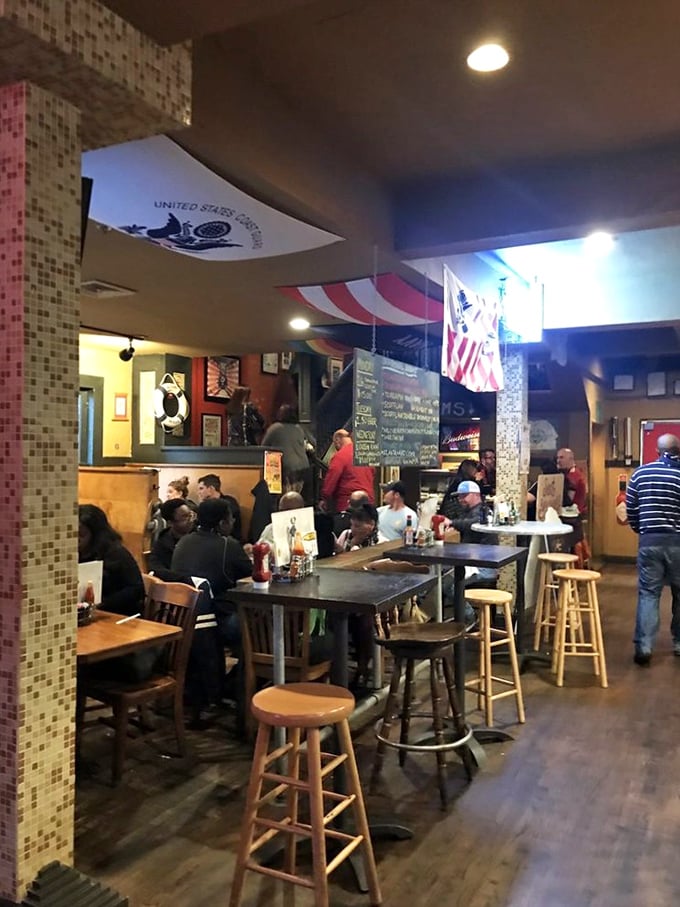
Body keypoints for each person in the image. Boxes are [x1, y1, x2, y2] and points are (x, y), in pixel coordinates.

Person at [625, 433, 680, 666]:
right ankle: (679, 643)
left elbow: (631, 508)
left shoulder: (640, 473)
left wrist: (642, 529)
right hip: (678, 542)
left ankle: (645, 647)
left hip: (649, 541)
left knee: (649, 594)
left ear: (657, 450)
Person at [334, 502, 381, 685]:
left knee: (363, 620)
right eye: (352, 524)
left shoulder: (379, 542)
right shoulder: (345, 536)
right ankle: (336, 667)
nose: (353, 529)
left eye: (358, 525)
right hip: (343, 589)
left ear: (371, 525)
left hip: (370, 594)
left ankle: (363, 667)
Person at [78, 504, 144, 616]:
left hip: (117, 615)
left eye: (81, 535)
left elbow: (137, 589)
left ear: (96, 535)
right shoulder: (75, 553)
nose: (76, 540)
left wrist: (103, 603)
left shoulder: (116, 553)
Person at [261, 404, 315, 505]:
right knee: (300, 501)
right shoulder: (299, 428)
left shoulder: (274, 428)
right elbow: (312, 443)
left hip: (287, 469)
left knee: (288, 501)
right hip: (304, 468)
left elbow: (263, 446)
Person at [320, 429, 375, 514]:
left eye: (334, 444)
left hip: (347, 506)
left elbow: (330, 482)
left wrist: (325, 500)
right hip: (368, 505)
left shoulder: (340, 456)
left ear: (337, 440)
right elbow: (372, 474)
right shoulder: (364, 454)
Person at [147, 498, 195, 581]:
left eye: (190, 515)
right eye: (184, 517)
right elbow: (156, 568)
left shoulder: (197, 537)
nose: (190, 520)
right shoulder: (163, 542)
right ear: (170, 523)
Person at [197, 473, 242, 542]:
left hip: (228, 542)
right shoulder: (206, 505)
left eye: (201, 488)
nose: (198, 492)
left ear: (211, 489)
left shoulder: (229, 503)